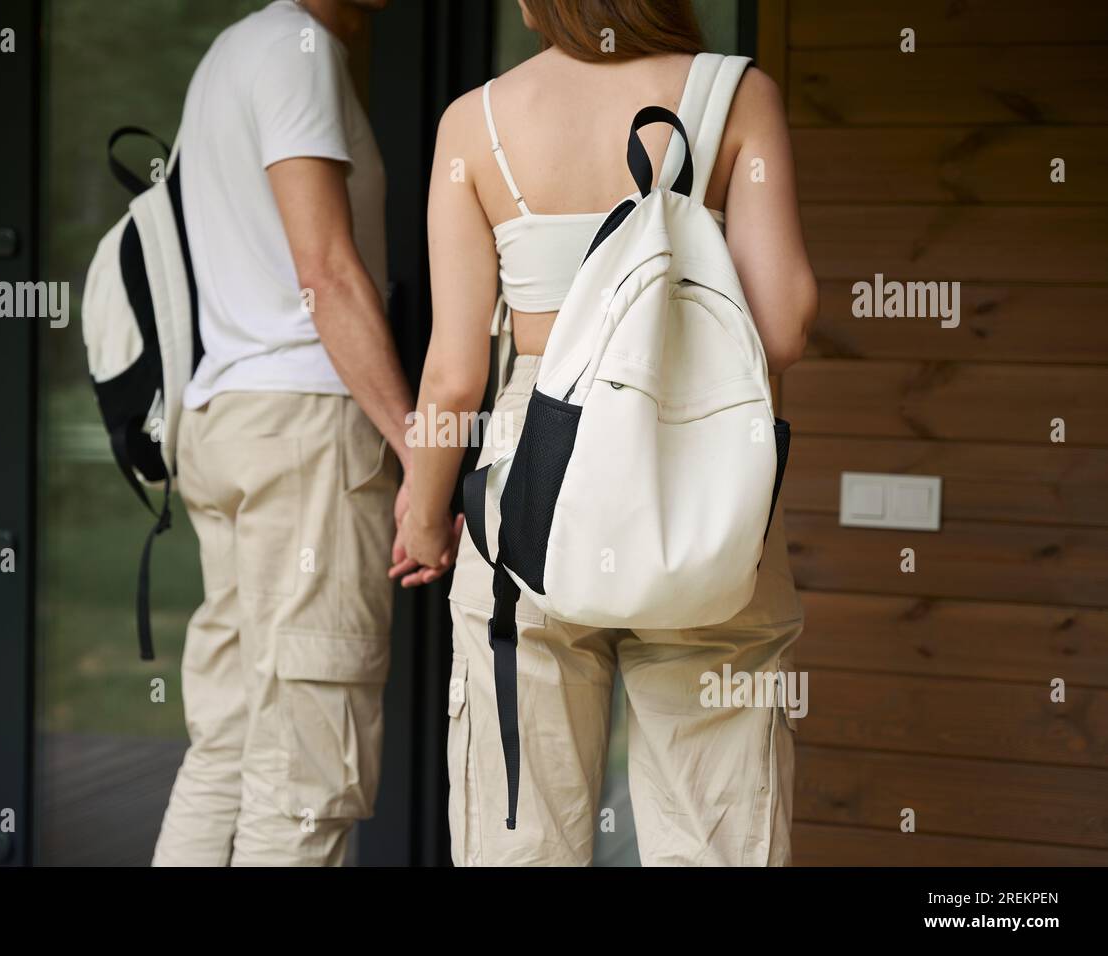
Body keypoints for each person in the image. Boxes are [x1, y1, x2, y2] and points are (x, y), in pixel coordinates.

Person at [391, 0, 818, 865]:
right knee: (715, 830)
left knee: (521, 826)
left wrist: (425, 511)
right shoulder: (740, 95)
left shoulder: (474, 123)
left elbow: (454, 372)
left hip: (531, 481)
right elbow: (784, 325)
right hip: (700, 475)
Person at [153, 0, 409, 867]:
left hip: (228, 421)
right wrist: (419, 447)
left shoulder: (232, 53)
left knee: (227, 746)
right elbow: (326, 273)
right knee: (304, 779)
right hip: (303, 428)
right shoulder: (298, 51)